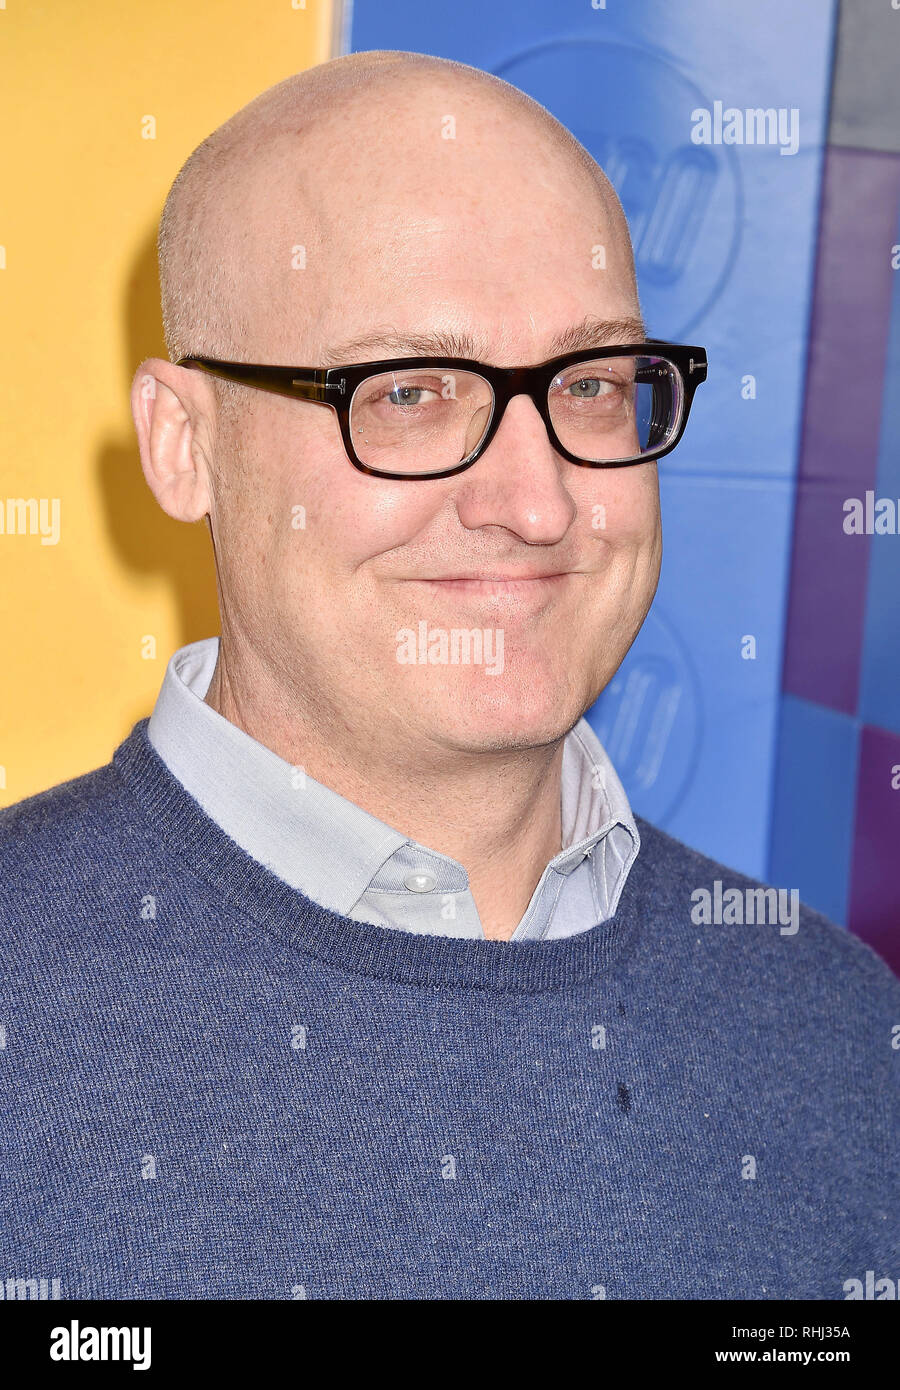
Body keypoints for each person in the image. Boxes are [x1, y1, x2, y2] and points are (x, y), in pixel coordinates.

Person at [0, 50, 896, 1301]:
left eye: (588, 385)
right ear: (183, 443)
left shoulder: (840, 1031)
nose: (537, 503)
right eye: (412, 392)